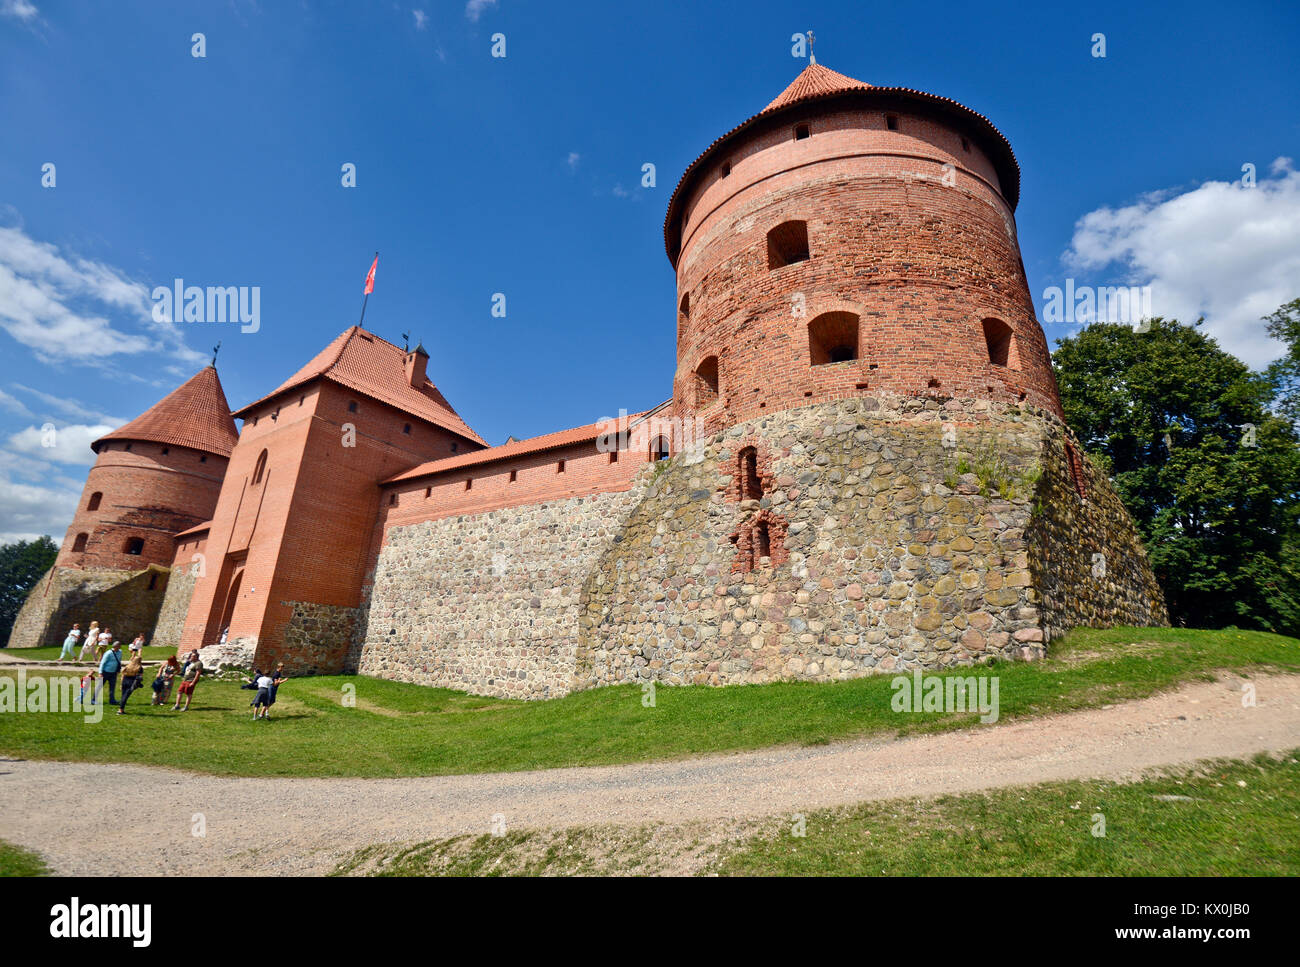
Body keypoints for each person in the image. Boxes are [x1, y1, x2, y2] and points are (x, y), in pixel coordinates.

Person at [116, 649, 145, 714]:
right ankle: (120, 710)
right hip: (131, 682)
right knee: (125, 697)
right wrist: (139, 684)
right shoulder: (139, 668)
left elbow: (122, 675)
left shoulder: (128, 666)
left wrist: (121, 684)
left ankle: (122, 709)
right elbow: (140, 677)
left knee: (123, 695)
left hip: (124, 681)